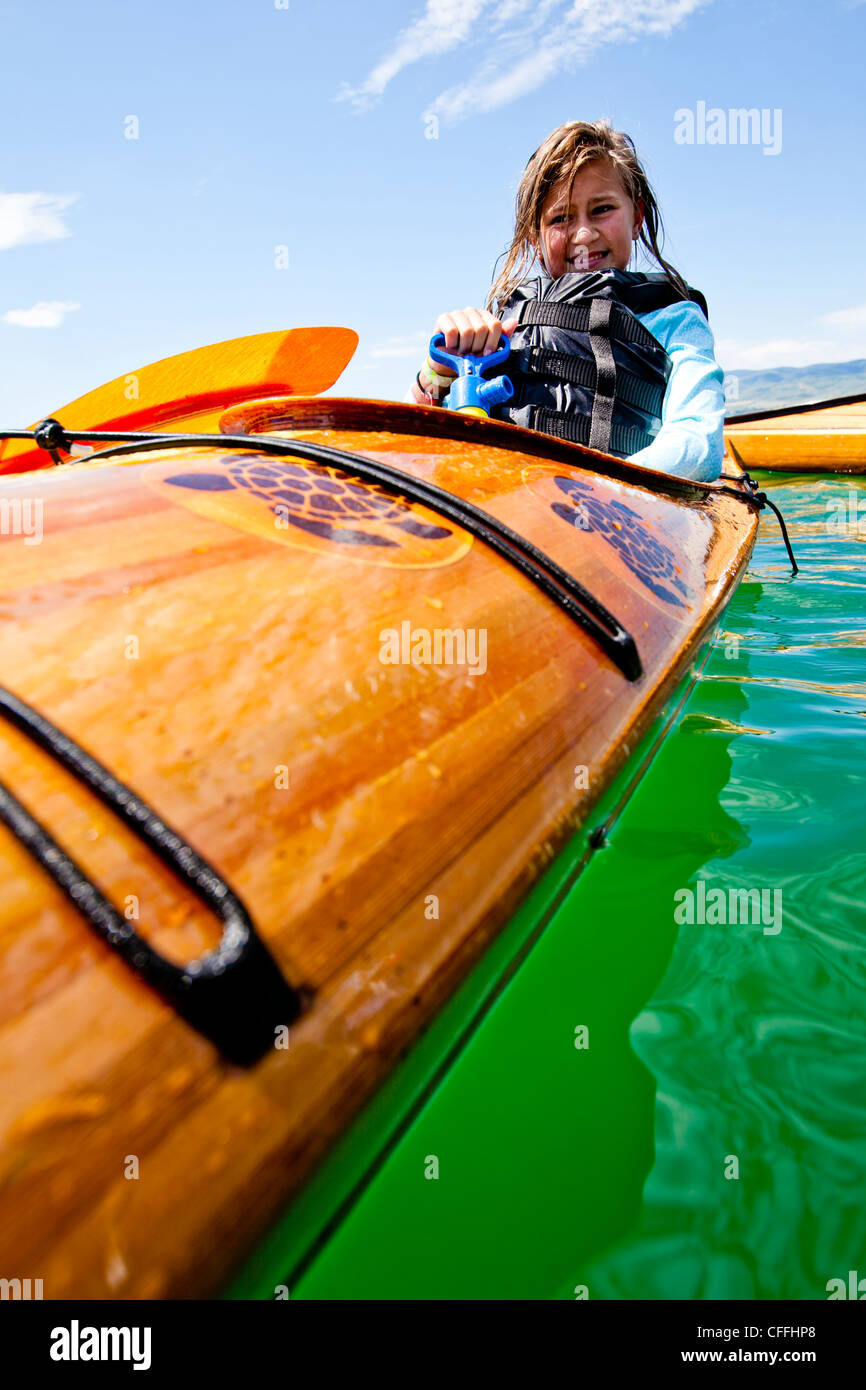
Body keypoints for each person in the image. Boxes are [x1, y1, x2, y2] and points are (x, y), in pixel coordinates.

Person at [405, 120, 725, 482]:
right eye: (561, 218)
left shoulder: (675, 320)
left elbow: (699, 450)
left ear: (637, 217)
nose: (584, 235)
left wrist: (584, 490)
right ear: (534, 237)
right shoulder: (506, 327)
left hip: (618, 514)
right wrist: (439, 371)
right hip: (509, 503)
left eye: (602, 209)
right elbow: (423, 445)